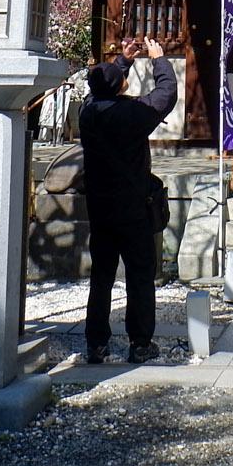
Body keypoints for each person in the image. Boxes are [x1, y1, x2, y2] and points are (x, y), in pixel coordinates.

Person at [78, 36, 176, 364]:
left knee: (102, 276)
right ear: (121, 87)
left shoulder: (87, 113)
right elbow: (166, 95)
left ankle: (96, 344)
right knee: (139, 274)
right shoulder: (133, 113)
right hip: (133, 207)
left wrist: (122, 62)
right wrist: (158, 59)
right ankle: (140, 342)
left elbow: (99, 90)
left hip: (100, 208)